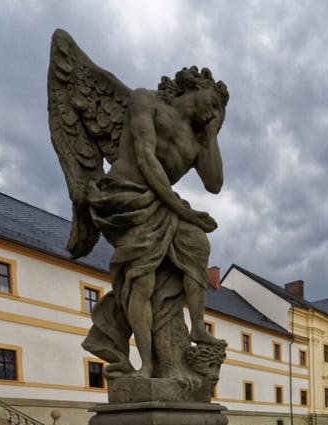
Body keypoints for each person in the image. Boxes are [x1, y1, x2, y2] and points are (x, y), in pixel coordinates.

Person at [87, 68, 228, 375]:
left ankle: (198, 327)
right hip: (129, 197)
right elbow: (145, 157)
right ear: (196, 86)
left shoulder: (196, 139)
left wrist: (213, 134)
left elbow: (215, 183)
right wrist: (184, 210)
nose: (214, 111)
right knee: (142, 280)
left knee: (198, 243)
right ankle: (147, 364)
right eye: (214, 102)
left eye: (220, 110)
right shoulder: (145, 100)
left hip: (165, 204)